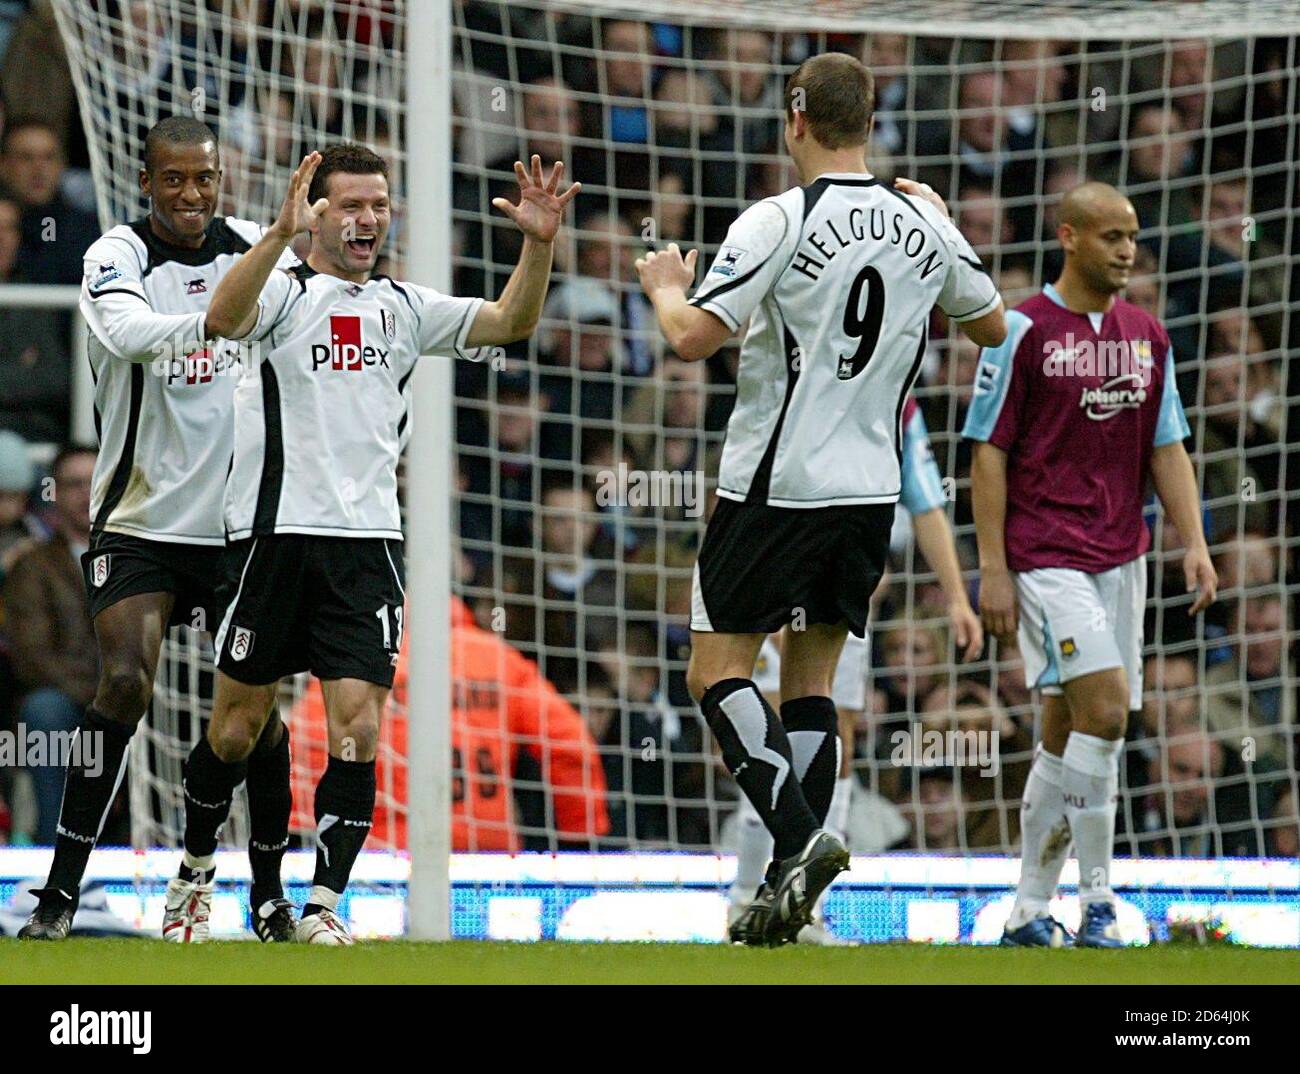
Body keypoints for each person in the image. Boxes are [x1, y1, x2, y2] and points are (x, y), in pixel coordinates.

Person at [635, 52, 1005, 946]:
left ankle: (799, 843)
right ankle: (789, 904)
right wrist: (949, 229)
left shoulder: (777, 218)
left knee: (715, 671)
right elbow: (993, 324)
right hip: (868, 493)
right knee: (812, 686)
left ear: (793, 117)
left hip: (774, 486)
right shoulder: (919, 218)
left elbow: (691, 339)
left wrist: (664, 286)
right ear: (871, 121)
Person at [166, 145, 578, 945]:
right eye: (350, 205)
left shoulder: (403, 306)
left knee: (357, 726)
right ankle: (193, 869)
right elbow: (219, 318)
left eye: (380, 205)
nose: (368, 220)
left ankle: (322, 906)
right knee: (235, 729)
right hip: (270, 538)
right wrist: (278, 235)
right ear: (316, 213)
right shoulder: (282, 296)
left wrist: (539, 243)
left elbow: (511, 322)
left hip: (367, 548)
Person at [18, 117, 299, 944]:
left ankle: (272, 897)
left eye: (204, 179)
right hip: (140, 520)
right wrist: (220, 318)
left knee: (258, 717)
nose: (191, 195)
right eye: (173, 180)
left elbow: (300, 319)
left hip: (235, 526)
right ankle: (61, 894)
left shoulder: (253, 245)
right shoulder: (115, 255)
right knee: (128, 684)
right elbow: (126, 332)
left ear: (220, 179)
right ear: (148, 183)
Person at [965, 181, 1216, 948]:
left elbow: (1166, 445)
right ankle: (1099, 902)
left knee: (1065, 729)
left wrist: (1195, 542)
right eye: (1112, 236)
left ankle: (1027, 911)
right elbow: (987, 452)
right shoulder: (1018, 329)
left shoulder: (1148, 335)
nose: (1127, 251)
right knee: (1108, 711)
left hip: (1123, 556)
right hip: (1046, 556)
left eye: (1133, 237)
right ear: (1069, 237)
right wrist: (994, 569)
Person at [729, 395, 983, 944]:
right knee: (774, 722)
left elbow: (924, 500)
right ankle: (745, 895)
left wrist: (959, 596)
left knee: (836, 733)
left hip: (844, 577)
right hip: (779, 561)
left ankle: (802, 908)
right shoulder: (798, 380)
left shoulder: (899, 407)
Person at [289, 598, 609, 852]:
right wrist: (580, 834)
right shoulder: (496, 658)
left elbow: (307, 747)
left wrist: (298, 834)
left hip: (385, 852)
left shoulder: (361, 662)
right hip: (486, 848)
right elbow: (570, 744)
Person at [2, 446, 97, 844]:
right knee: (44, 710)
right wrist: (105, 701)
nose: (86, 494)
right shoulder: (32, 564)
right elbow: (33, 658)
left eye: (95, 481)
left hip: (146, 705)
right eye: (74, 484)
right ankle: (51, 856)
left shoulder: (144, 565)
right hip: (75, 702)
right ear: (53, 493)